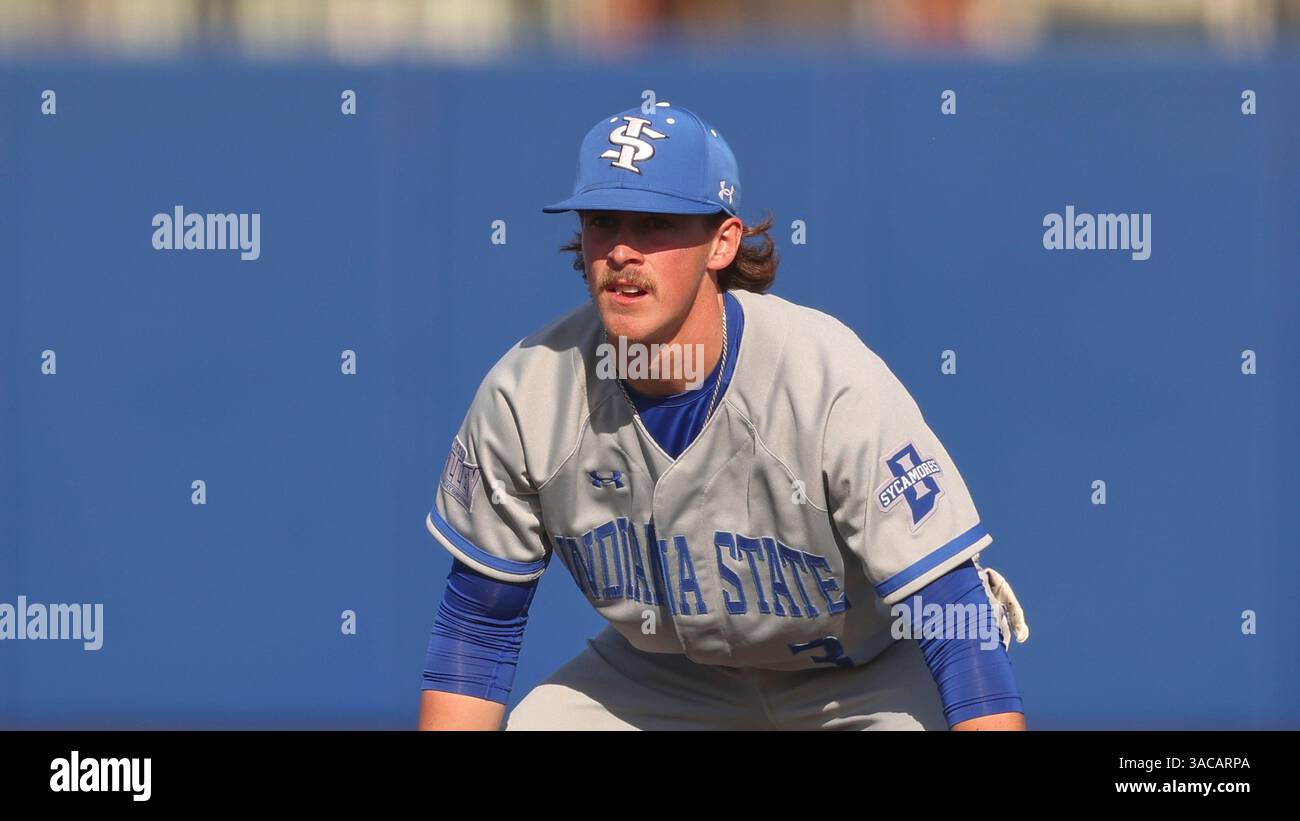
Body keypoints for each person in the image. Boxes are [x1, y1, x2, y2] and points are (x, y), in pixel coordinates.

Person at [418, 101, 1028, 731]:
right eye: (603, 221)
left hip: (865, 676)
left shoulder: (828, 383)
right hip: (660, 678)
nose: (623, 251)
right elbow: (479, 625)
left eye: (655, 222)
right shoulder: (528, 395)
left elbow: (957, 620)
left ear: (723, 241)